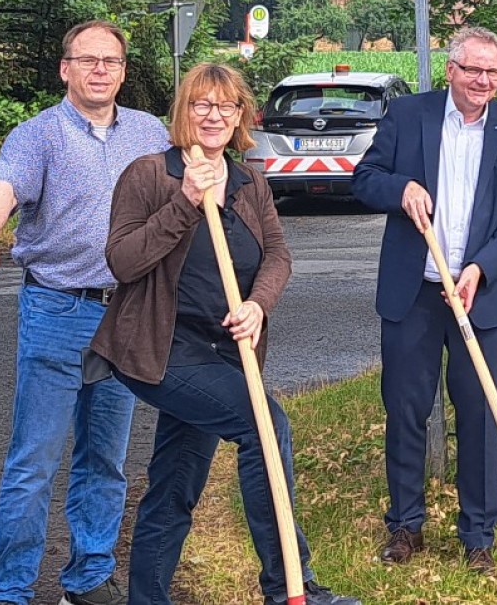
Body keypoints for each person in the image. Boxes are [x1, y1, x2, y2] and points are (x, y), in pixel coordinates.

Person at [87, 62, 359, 605]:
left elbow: (278, 254)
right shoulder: (149, 174)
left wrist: (258, 305)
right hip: (163, 351)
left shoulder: (249, 180)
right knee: (264, 428)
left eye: (226, 106)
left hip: (227, 351)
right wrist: (185, 201)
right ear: (184, 112)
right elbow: (122, 262)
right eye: (201, 105)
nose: (213, 116)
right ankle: (289, 588)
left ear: (240, 117)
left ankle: (148, 598)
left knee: (176, 481)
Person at [0, 20, 168, 605]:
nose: (100, 70)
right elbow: (3, 190)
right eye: (88, 60)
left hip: (127, 315)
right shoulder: (38, 135)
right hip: (57, 309)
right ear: (65, 68)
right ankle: (8, 589)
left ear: (124, 72)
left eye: (111, 61)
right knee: (35, 461)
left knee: (106, 458)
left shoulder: (150, 133)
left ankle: (89, 576)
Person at [353, 27, 497, 574]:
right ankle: (405, 525)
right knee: (407, 410)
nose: (482, 81)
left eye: (491, 72)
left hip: (481, 295)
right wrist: (400, 188)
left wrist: (481, 268)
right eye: (472, 70)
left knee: (482, 413)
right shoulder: (410, 115)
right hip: (415, 291)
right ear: (451, 70)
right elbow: (365, 179)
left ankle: (478, 533)